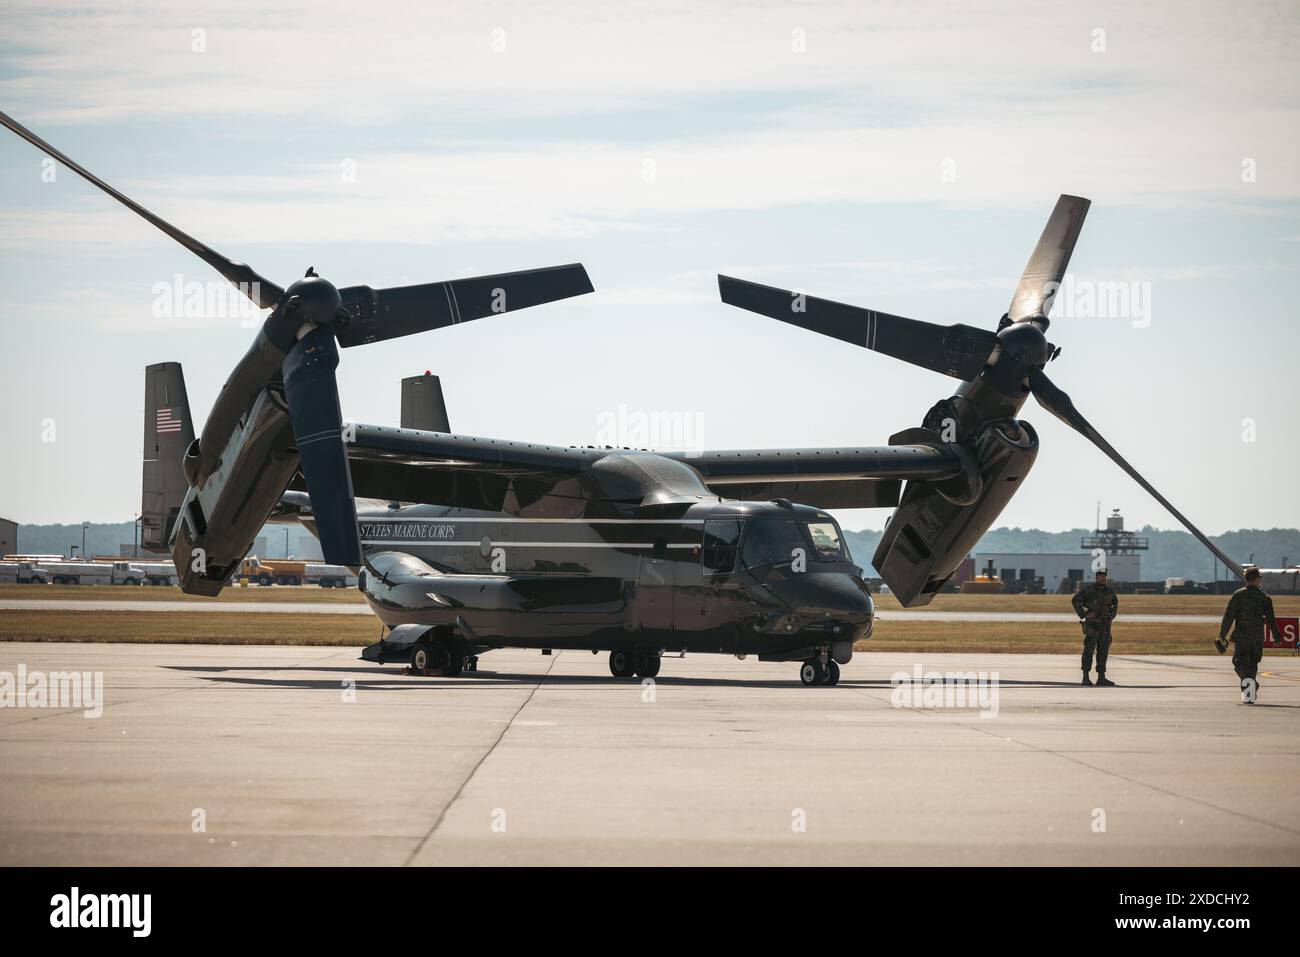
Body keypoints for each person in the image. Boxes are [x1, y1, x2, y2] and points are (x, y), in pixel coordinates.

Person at [1218, 567, 1281, 704]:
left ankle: (1250, 690)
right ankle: (1250, 692)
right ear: (1256, 578)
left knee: (1239, 663)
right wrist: (1276, 637)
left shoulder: (1238, 595)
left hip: (1242, 638)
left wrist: (1222, 634)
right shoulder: (1264, 597)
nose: (1261, 579)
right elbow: (1271, 619)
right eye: (1260, 577)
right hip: (1257, 639)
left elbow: (1229, 616)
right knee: (1252, 666)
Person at [1072, 569, 1118, 686]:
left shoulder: (1109, 591)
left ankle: (1101, 677)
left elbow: (1115, 603)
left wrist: (1111, 616)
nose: (1103, 578)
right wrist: (1084, 614)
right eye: (1101, 576)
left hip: (1105, 626)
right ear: (1096, 577)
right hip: (1093, 625)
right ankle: (1085, 677)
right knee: (1089, 650)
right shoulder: (1089, 590)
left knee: (1103, 651)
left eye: (1104, 576)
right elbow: (1075, 600)